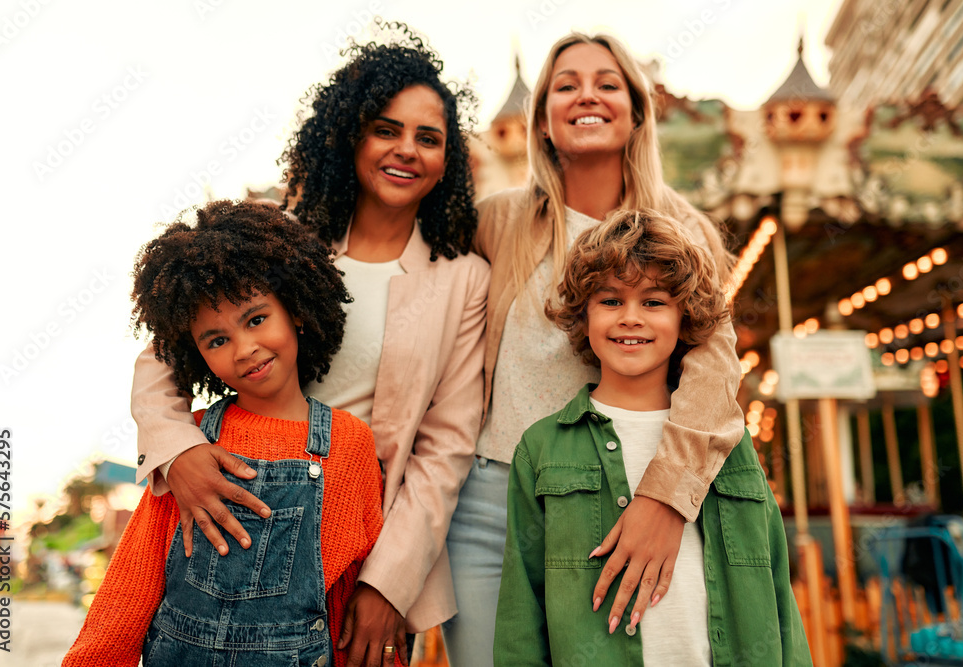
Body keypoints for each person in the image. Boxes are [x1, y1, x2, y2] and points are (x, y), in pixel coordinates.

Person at [128, 24, 489, 667]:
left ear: (448, 160)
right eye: (386, 128)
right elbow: (162, 358)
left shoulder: (463, 279)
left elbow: (446, 446)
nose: (406, 149)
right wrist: (178, 449)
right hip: (236, 502)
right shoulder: (280, 238)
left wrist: (386, 585)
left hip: (364, 541)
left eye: (428, 138)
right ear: (349, 135)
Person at [442, 32, 746, 665]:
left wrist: (666, 496)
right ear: (544, 120)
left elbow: (716, 373)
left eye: (608, 83)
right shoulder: (497, 220)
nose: (588, 96)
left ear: (636, 112)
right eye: (567, 85)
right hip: (489, 503)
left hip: (623, 496)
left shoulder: (681, 229)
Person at [64, 200, 384, 666]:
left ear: (295, 310)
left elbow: (346, 589)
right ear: (194, 353)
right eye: (217, 339)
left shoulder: (349, 442)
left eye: (256, 319)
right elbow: (135, 582)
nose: (245, 349)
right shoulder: (188, 445)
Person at [494, 210, 811, 666]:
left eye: (654, 302)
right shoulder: (542, 448)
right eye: (610, 301)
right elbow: (521, 616)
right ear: (583, 315)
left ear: (686, 318)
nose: (630, 318)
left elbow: (777, 587)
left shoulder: (730, 442)